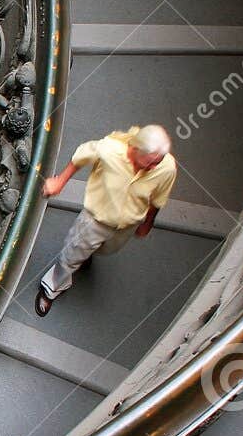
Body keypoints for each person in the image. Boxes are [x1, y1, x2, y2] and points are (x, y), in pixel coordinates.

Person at [33, 124, 177, 316]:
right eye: (150, 162)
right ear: (135, 149)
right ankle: (52, 287)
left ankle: (87, 256)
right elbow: (81, 156)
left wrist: (147, 223)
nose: (153, 167)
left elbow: (157, 199)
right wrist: (59, 182)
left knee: (106, 249)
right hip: (95, 221)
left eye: (157, 162)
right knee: (70, 255)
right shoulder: (109, 150)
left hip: (126, 226)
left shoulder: (166, 168)